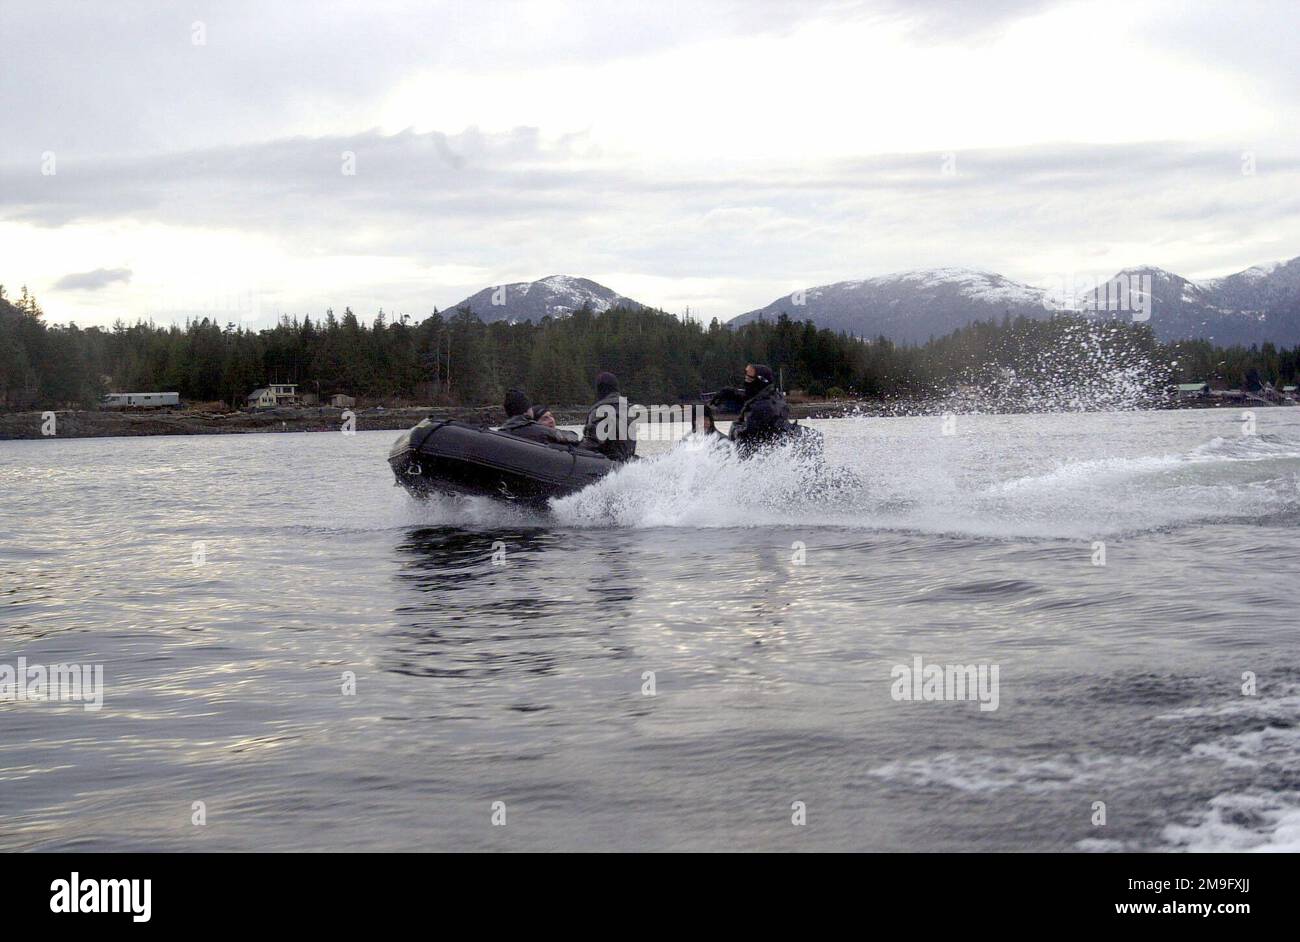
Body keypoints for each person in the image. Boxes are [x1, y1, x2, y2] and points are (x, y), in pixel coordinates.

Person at [726, 363, 794, 455]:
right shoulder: (776, 397)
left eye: (749, 378)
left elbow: (745, 435)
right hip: (774, 447)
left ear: (761, 381)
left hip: (757, 454)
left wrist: (735, 427)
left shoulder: (761, 407)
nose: (746, 381)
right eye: (745, 375)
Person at [580, 371, 637, 461]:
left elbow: (591, 443)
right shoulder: (628, 410)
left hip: (607, 463)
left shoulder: (600, 411)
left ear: (600, 390)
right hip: (626, 461)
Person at [498, 389, 577, 446]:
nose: (551, 420)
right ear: (527, 411)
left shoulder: (500, 435)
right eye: (545, 418)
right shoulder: (540, 432)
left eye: (551, 416)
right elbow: (573, 436)